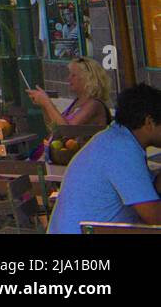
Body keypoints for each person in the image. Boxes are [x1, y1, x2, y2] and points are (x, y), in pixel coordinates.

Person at [48, 84, 161, 233]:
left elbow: (150, 190)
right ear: (149, 122)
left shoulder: (114, 138)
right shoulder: (122, 150)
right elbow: (155, 217)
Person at [27, 56, 112, 161]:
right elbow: (53, 129)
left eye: (73, 75)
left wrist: (47, 103)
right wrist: (44, 106)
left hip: (85, 160)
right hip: (65, 156)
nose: (68, 78)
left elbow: (67, 132)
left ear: (88, 79)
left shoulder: (94, 105)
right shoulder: (76, 103)